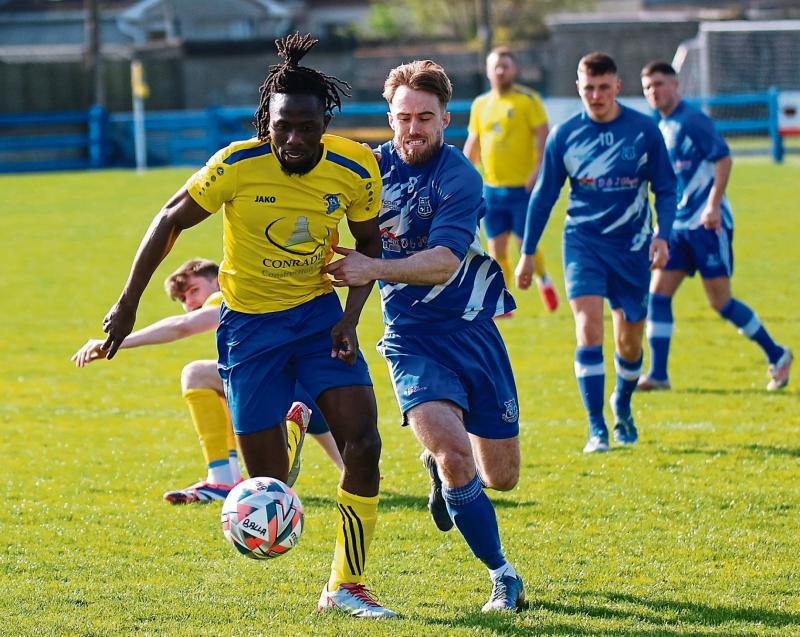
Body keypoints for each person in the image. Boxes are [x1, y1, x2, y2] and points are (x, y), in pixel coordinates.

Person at [94, 34, 395, 618]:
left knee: (364, 445)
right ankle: (292, 429)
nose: (294, 139)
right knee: (269, 487)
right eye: (283, 127)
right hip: (249, 331)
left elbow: (368, 248)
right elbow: (169, 219)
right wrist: (127, 304)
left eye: (307, 127)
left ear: (325, 122)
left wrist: (350, 318)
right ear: (267, 123)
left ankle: (346, 584)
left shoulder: (356, 166)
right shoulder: (236, 164)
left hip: (317, 319)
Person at [325, 60, 526, 612]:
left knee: (500, 477)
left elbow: (442, 262)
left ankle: (439, 473)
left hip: (473, 331)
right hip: (410, 338)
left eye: (425, 118)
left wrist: (372, 267)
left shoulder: (459, 177)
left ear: (445, 120)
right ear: (389, 117)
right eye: (403, 117)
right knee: (457, 455)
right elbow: (312, 186)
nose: (413, 129)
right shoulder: (365, 170)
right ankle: (503, 575)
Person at [71, 258, 345, 504]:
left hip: (288, 389)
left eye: (194, 290)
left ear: (217, 280)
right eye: (183, 299)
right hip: (320, 388)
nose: (190, 302)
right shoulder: (264, 291)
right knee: (351, 471)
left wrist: (114, 343)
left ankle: (223, 480)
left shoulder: (227, 295)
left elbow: (183, 326)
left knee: (197, 374)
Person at [515, 52, 677, 453]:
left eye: (604, 88)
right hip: (583, 244)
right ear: (578, 88)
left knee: (630, 341)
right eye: (589, 88)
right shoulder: (566, 135)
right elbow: (544, 196)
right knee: (588, 328)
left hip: (633, 247)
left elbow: (666, 188)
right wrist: (528, 252)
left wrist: (663, 235)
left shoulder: (643, 130)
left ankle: (622, 404)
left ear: (617, 87)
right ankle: (596, 427)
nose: (597, 95)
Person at [639, 61, 792, 391]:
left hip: (708, 225)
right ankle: (658, 374)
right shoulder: (661, 126)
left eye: (659, 84)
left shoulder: (692, 120)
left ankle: (777, 354)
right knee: (658, 295)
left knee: (721, 302)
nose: (654, 91)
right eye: (648, 87)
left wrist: (712, 205)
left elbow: (723, 158)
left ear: (676, 85)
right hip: (679, 227)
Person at [463, 47, 559, 314]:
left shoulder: (528, 100)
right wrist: (463, 175)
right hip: (492, 189)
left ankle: (544, 280)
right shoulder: (480, 104)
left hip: (522, 189)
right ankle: (504, 304)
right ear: (488, 71)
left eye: (505, 66)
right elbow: (474, 142)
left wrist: (538, 169)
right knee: (497, 249)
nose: (501, 71)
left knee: (524, 243)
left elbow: (543, 136)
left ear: (514, 70)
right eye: (496, 66)